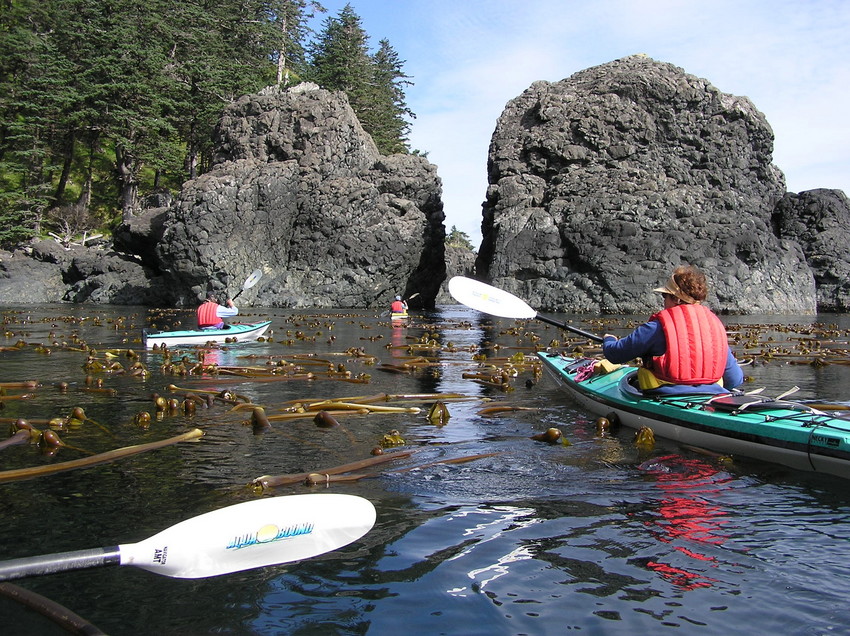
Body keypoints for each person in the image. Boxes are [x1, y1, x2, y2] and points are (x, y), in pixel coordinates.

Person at [602, 265, 743, 395]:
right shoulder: (715, 326)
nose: (663, 301)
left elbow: (615, 355)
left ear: (676, 299)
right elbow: (735, 379)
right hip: (710, 398)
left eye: (665, 295)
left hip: (665, 398)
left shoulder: (656, 328)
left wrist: (609, 340)